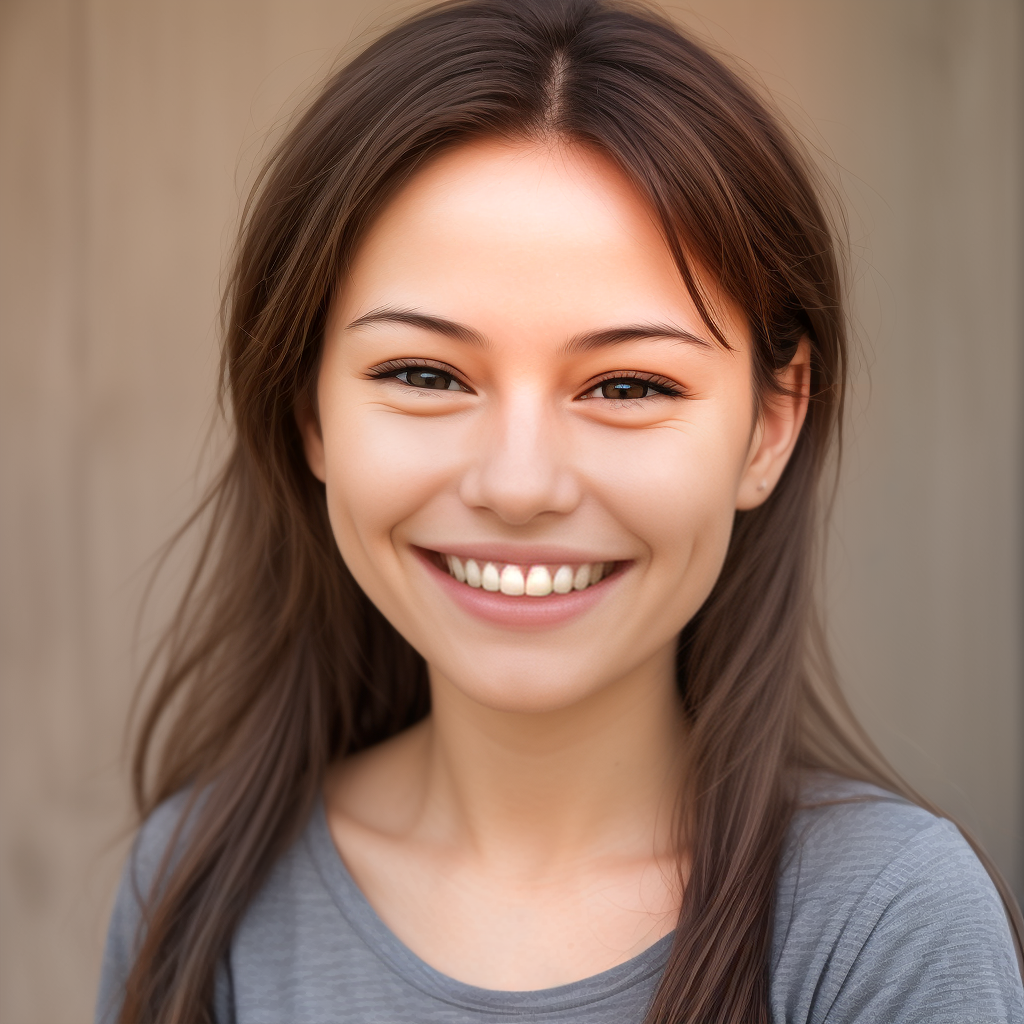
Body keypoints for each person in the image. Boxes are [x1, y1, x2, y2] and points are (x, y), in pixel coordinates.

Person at [95, 1, 1024, 1022]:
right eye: (424, 373)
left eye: (627, 386)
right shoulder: (200, 889)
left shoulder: (884, 926)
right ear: (311, 410)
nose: (519, 482)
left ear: (768, 423)